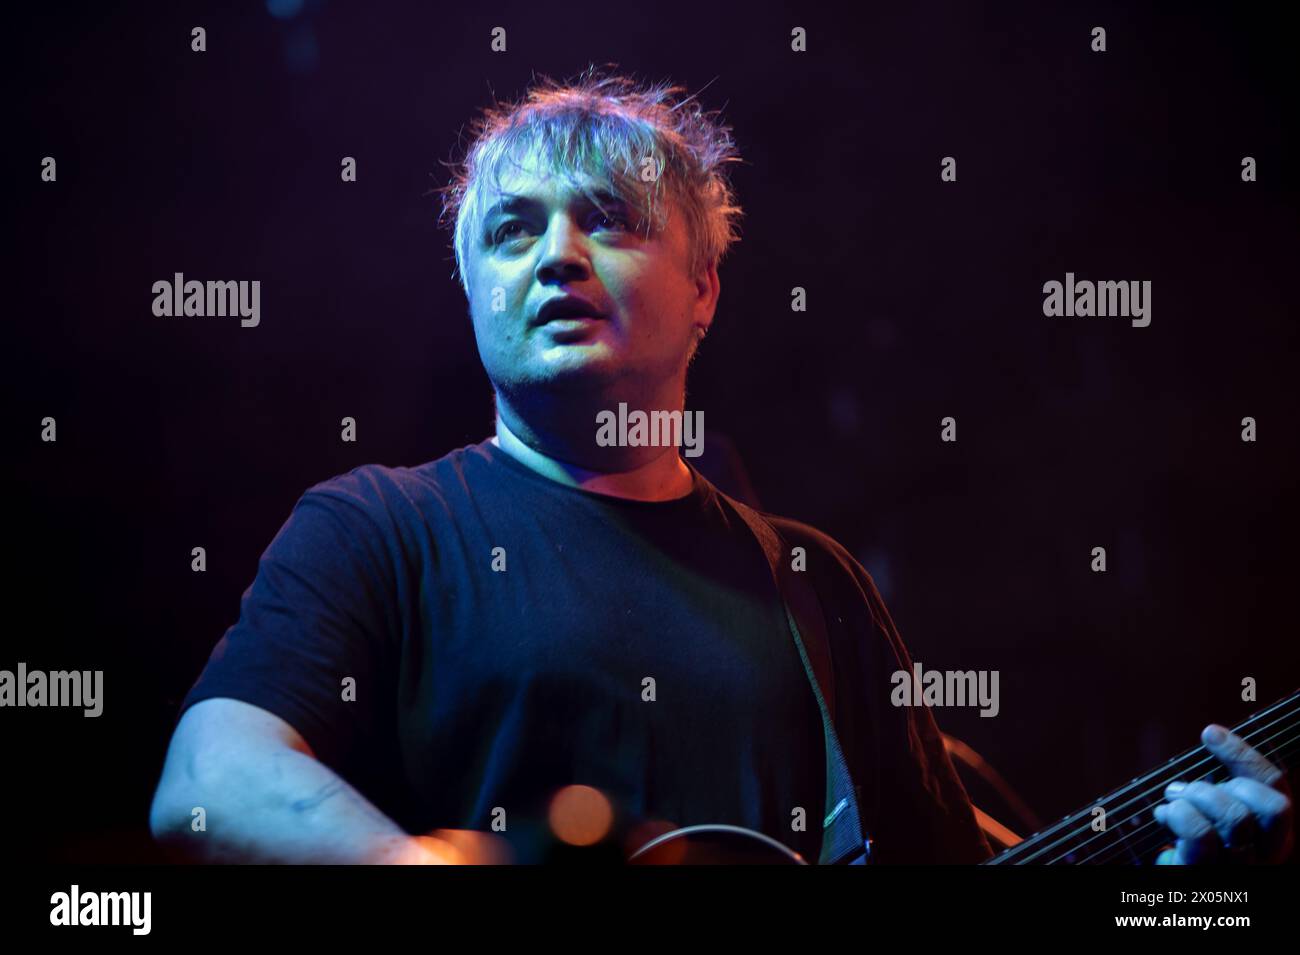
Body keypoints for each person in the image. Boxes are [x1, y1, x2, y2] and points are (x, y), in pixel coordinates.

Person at [148, 67, 1292, 866]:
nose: (555, 254)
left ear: (704, 289)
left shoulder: (816, 584)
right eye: (511, 231)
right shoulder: (376, 528)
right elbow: (206, 782)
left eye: (605, 219)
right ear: (472, 294)